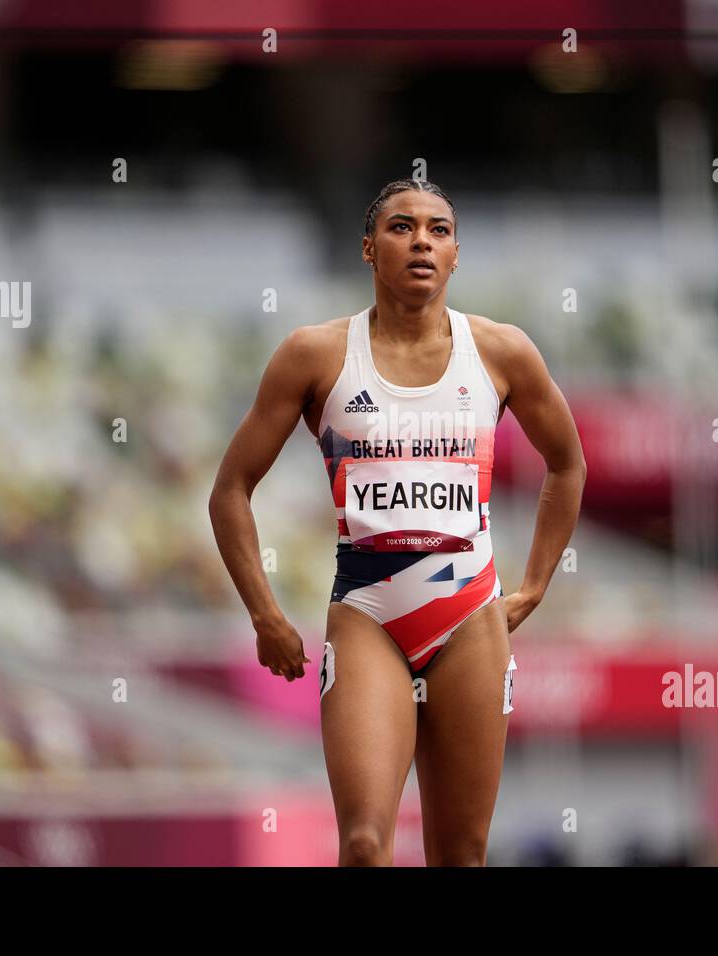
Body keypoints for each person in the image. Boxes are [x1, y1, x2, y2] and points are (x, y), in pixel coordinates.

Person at [210, 179, 586, 865]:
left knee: (460, 854)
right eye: (402, 227)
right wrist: (265, 615)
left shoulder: (501, 353)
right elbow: (231, 489)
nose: (421, 241)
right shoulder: (316, 354)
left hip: (470, 617)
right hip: (368, 615)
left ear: (455, 255)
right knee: (361, 844)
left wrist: (533, 585)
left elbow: (567, 464)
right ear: (367, 248)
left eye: (439, 230)